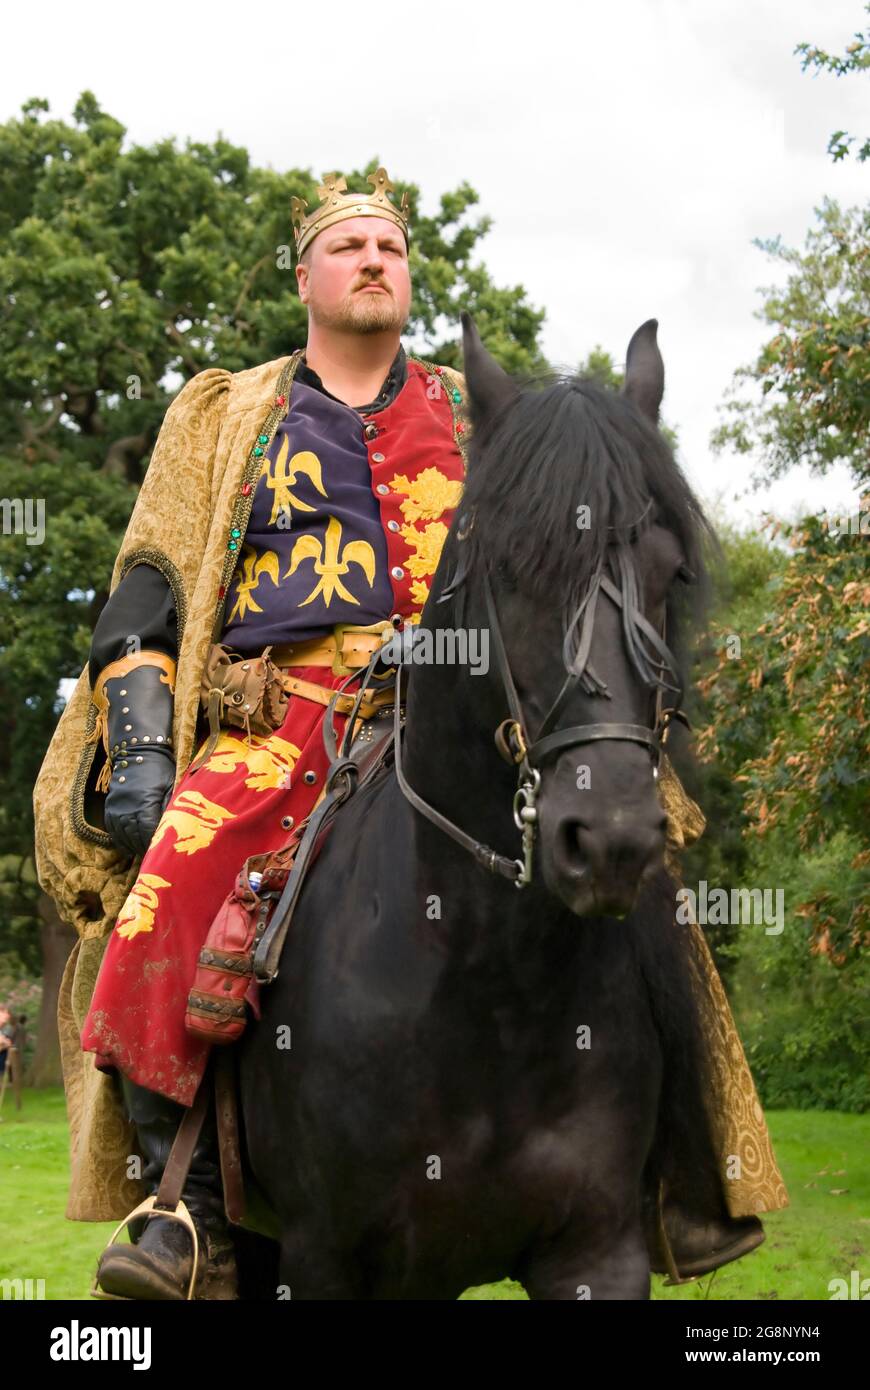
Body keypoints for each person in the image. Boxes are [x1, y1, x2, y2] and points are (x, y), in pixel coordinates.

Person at [33, 166, 787, 1301]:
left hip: (453, 710)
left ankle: (678, 1164)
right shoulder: (232, 411)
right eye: (350, 247)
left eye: (390, 245)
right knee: (175, 876)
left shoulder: (482, 413)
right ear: (307, 276)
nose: (375, 260)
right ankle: (184, 1211)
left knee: (645, 882)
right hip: (275, 710)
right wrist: (143, 746)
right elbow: (149, 582)